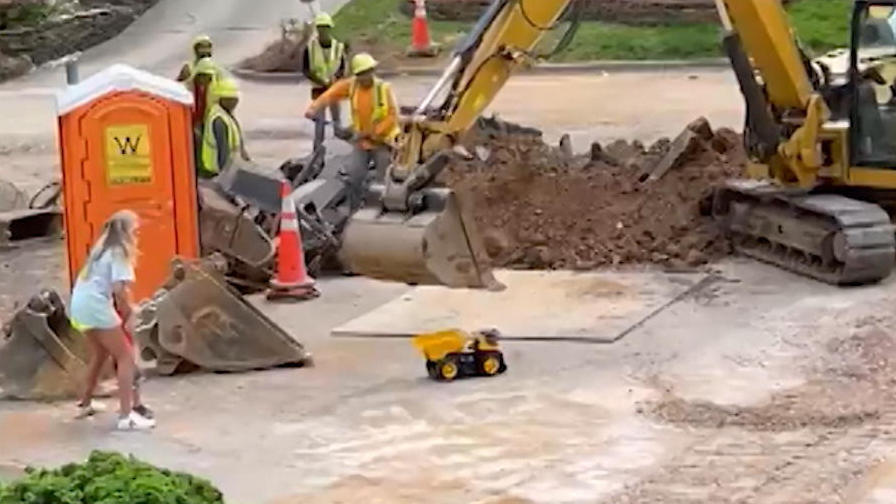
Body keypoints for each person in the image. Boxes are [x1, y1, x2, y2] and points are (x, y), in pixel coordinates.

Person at [70, 210, 155, 430]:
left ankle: (85, 402)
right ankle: (127, 416)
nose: (137, 235)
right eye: (135, 231)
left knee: (100, 354)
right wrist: (129, 312)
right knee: (125, 356)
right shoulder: (120, 252)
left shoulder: (101, 246)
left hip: (79, 304)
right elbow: (119, 289)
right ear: (127, 232)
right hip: (96, 305)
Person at [303, 53, 400, 208]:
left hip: (382, 143)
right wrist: (314, 108)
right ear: (358, 75)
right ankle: (355, 211)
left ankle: (382, 211)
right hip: (361, 143)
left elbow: (392, 116)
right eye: (364, 73)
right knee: (355, 178)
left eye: (370, 71)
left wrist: (373, 133)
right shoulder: (352, 86)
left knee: (383, 182)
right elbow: (330, 94)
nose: (368, 76)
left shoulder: (383, 88)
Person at [302, 12, 347, 149]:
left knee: (337, 122)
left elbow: (342, 66)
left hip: (334, 88)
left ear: (329, 29)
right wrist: (321, 81)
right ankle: (317, 152)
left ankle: (340, 149)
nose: (323, 31)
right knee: (320, 123)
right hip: (319, 89)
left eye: (325, 28)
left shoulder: (338, 47)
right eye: (320, 28)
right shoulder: (310, 48)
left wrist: (337, 78)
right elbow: (306, 69)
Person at [200, 78, 250, 177]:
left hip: (231, 168)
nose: (234, 103)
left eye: (235, 100)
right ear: (221, 99)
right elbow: (223, 154)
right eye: (230, 100)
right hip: (217, 173)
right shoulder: (219, 120)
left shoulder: (226, 114)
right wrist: (227, 176)